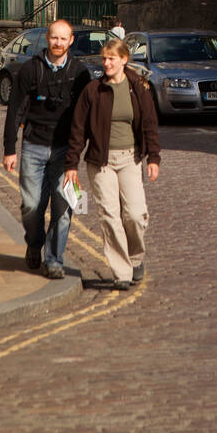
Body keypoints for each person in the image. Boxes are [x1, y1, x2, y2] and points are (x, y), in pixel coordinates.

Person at [65, 38, 160, 289]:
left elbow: (149, 124)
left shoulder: (138, 87)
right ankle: (122, 273)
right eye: (104, 59)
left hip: (130, 159)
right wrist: (71, 165)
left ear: (124, 60)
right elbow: (78, 129)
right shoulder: (93, 90)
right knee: (110, 216)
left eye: (111, 59)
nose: (106, 63)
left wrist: (154, 158)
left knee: (135, 215)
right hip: (101, 162)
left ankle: (136, 258)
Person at [3, 19, 90, 279]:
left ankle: (54, 260)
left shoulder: (80, 73)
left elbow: (88, 116)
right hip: (33, 147)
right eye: (54, 38)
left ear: (71, 41)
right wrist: (10, 147)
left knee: (63, 207)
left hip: (66, 153)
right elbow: (14, 109)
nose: (58, 43)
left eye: (64, 39)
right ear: (47, 38)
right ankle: (34, 243)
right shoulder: (31, 70)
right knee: (31, 206)